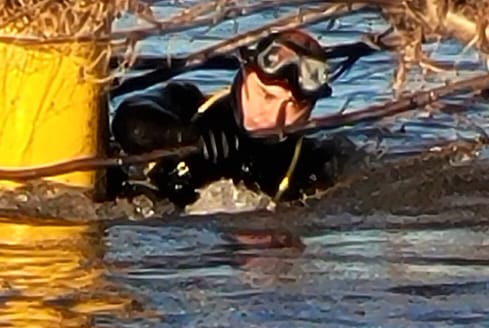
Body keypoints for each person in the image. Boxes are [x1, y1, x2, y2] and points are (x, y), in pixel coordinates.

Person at [110, 28, 334, 206]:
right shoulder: (188, 105)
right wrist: (185, 137)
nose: (275, 119)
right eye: (266, 96)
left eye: (293, 107)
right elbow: (128, 120)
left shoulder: (313, 163)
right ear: (245, 74)